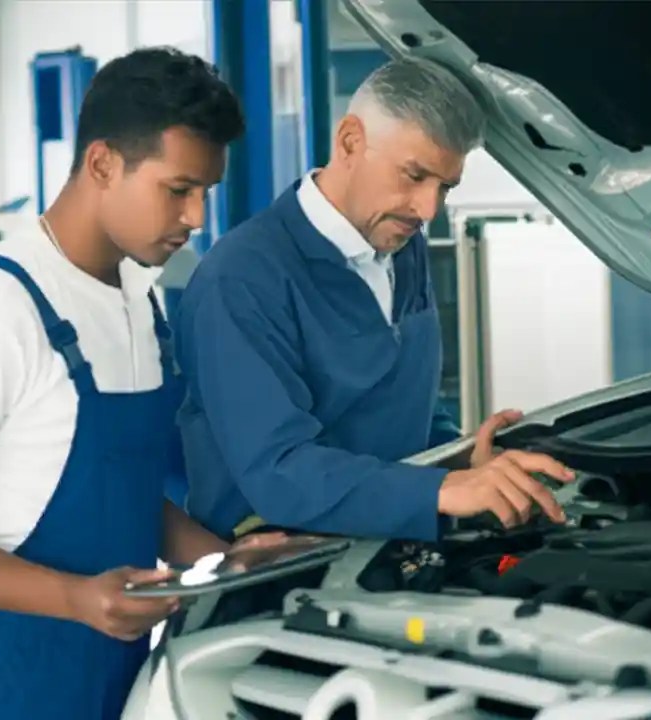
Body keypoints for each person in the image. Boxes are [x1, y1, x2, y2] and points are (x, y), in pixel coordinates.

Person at [0, 47, 260, 720]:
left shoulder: (141, 299)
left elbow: (119, 485)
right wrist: (75, 598)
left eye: (206, 193)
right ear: (103, 163)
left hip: (115, 679)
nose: (197, 217)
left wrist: (229, 562)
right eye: (178, 189)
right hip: (0, 685)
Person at [173, 57, 576, 544]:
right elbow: (280, 472)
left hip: (389, 548)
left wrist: (468, 458)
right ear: (349, 142)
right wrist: (442, 490)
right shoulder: (240, 279)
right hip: (276, 576)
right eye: (414, 175)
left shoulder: (402, 244)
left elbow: (412, 419)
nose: (429, 209)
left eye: (444, 187)